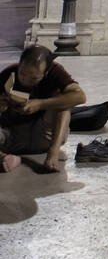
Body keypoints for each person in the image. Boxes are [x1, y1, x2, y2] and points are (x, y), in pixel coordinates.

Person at [0, 45, 86, 173]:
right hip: (11, 137)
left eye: (34, 78)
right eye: (22, 74)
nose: (25, 80)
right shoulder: (9, 73)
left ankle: (53, 153)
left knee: (64, 103)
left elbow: (80, 96)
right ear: (19, 65)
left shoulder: (55, 72)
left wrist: (40, 104)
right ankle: (5, 158)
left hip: (44, 136)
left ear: (46, 72)